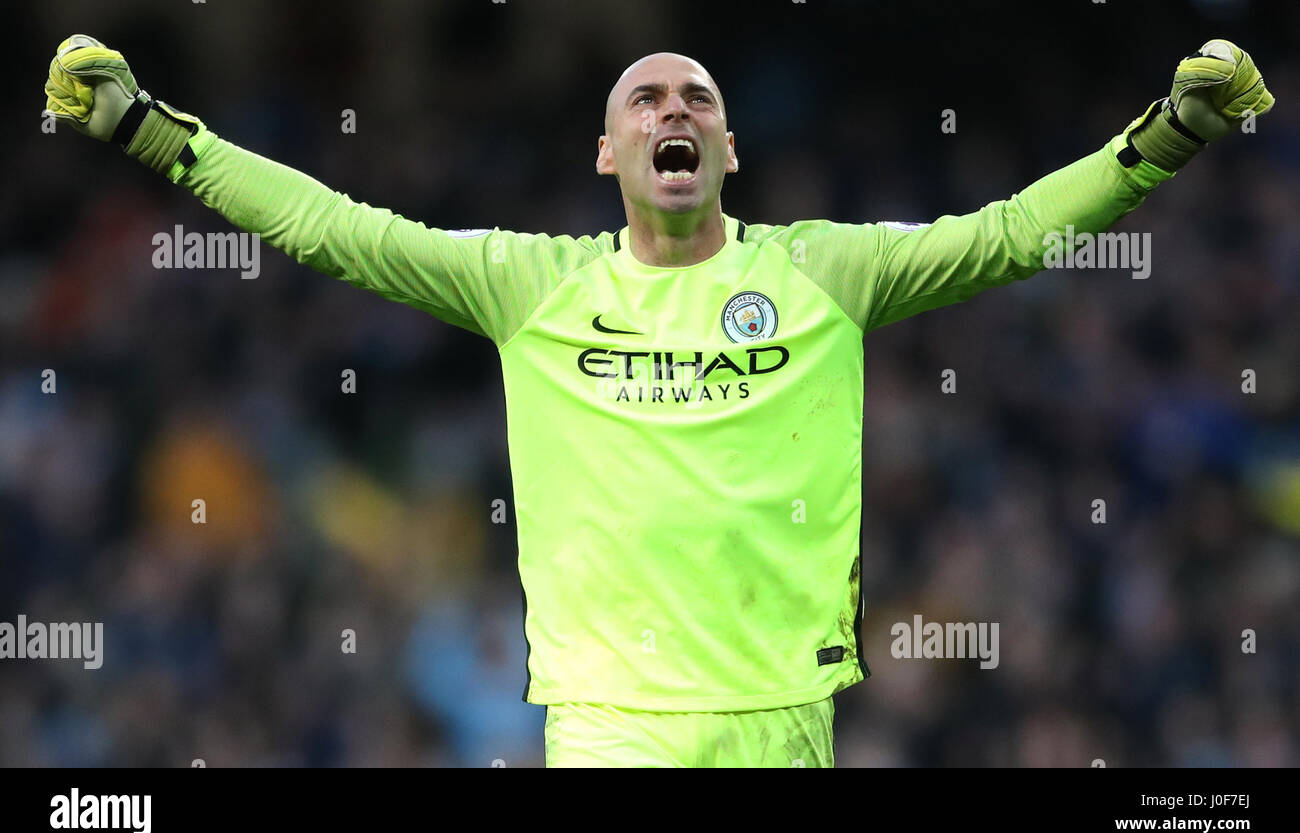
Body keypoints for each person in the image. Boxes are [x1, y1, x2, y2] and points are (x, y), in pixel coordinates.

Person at [44, 36, 1273, 767]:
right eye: (645, 100)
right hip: (610, 719)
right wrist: (153, 134)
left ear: (728, 150)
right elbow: (337, 229)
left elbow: (1003, 235)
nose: (672, 111)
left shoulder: (820, 273)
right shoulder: (529, 285)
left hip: (783, 712)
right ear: (606, 154)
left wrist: (1162, 138)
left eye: (695, 101)